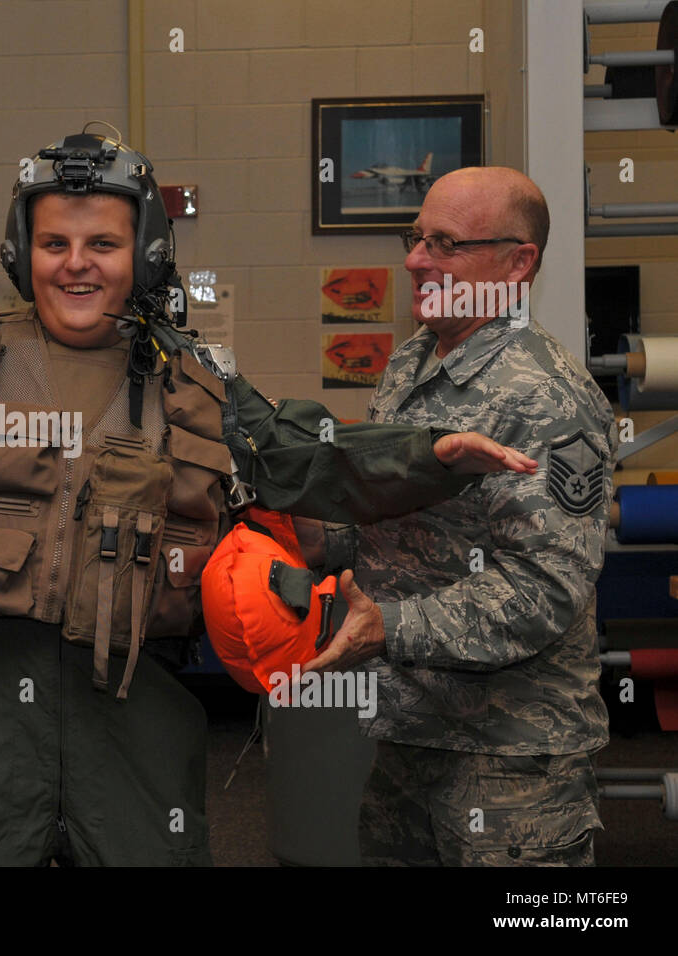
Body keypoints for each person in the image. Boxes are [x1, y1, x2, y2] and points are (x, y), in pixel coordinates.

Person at [0, 130, 536, 866]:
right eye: (54, 242)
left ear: (145, 254)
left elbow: (307, 457)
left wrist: (426, 454)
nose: (77, 264)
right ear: (22, 253)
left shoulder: (192, 382)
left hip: (130, 744)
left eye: (104, 244)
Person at [304, 166, 615, 866]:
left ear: (518, 262)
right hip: (411, 734)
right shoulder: (413, 364)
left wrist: (392, 627)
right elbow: (384, 518)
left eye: (445, 244)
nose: (415, 260)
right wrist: (300, 523)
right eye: (416, 238)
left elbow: (544, 590)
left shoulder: (549, 398)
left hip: (512, 763)